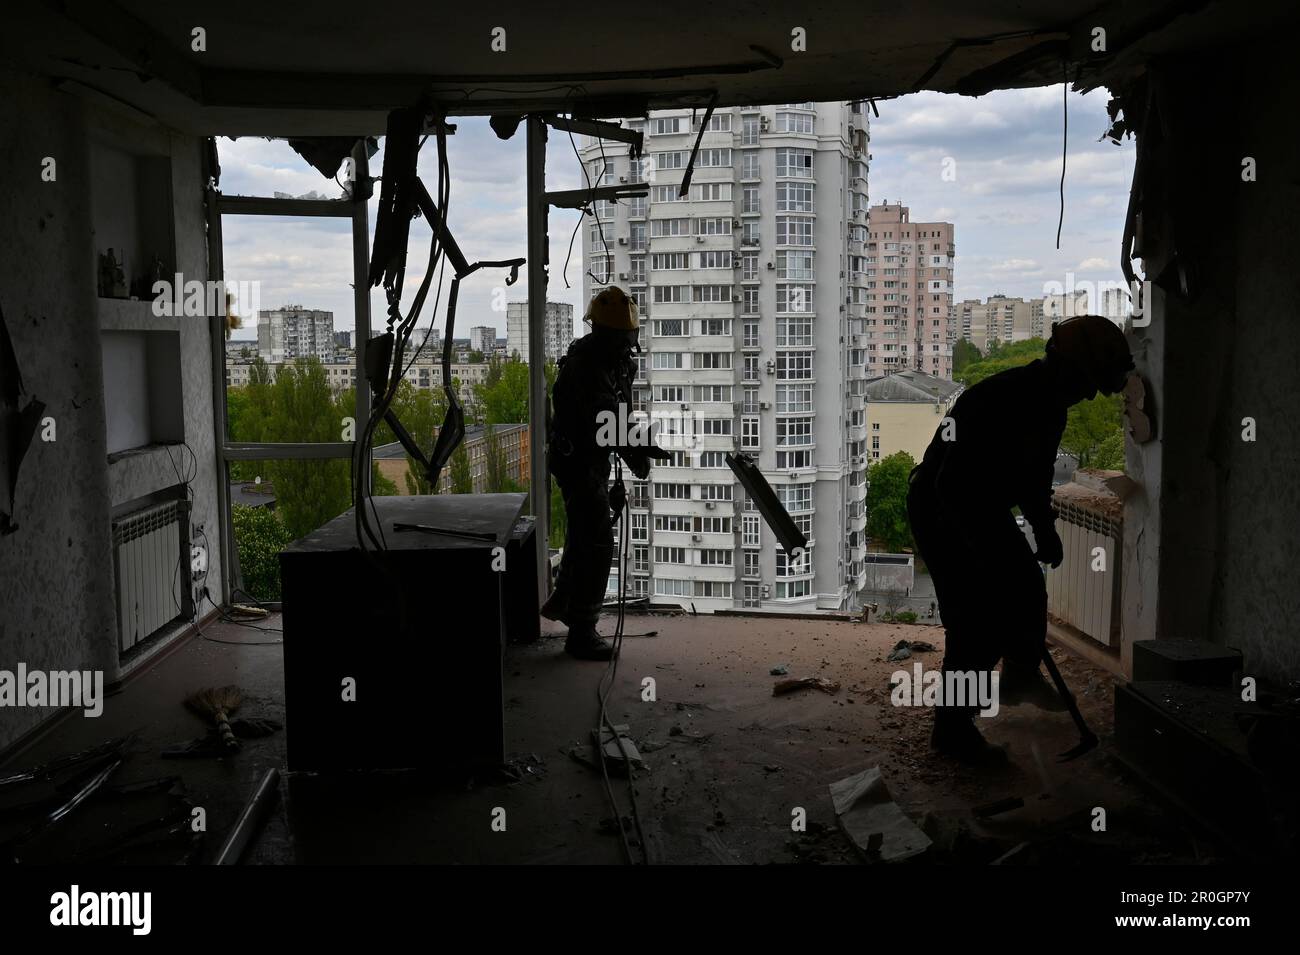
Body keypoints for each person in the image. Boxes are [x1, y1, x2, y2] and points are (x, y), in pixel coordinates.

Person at [907, 315, 1134, 764]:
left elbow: (1034, 480)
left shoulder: (1051, 406)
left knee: (1027, 587)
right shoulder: (1003, 398)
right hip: (941, 508)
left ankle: (1019, 675)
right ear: (1068, 369)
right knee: (976, 620)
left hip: (979, 506)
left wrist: (1044, 532)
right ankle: (952, 732)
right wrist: (982, 553)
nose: (1089, 395)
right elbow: (950, 485)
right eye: (1089, 384)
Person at [541, 287, 668, 660]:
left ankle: (564, 602)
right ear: (603, 334)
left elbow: (617, 416)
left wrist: (634, 452)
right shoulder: (584, 368)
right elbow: (605, 420)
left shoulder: (613, 362)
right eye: (621, 340)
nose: (626, 347)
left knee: (586, 537)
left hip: (590, 461)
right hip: (576, 462)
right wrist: (640, 448)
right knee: (596, 542)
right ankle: (580, 631)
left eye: (628, 341)